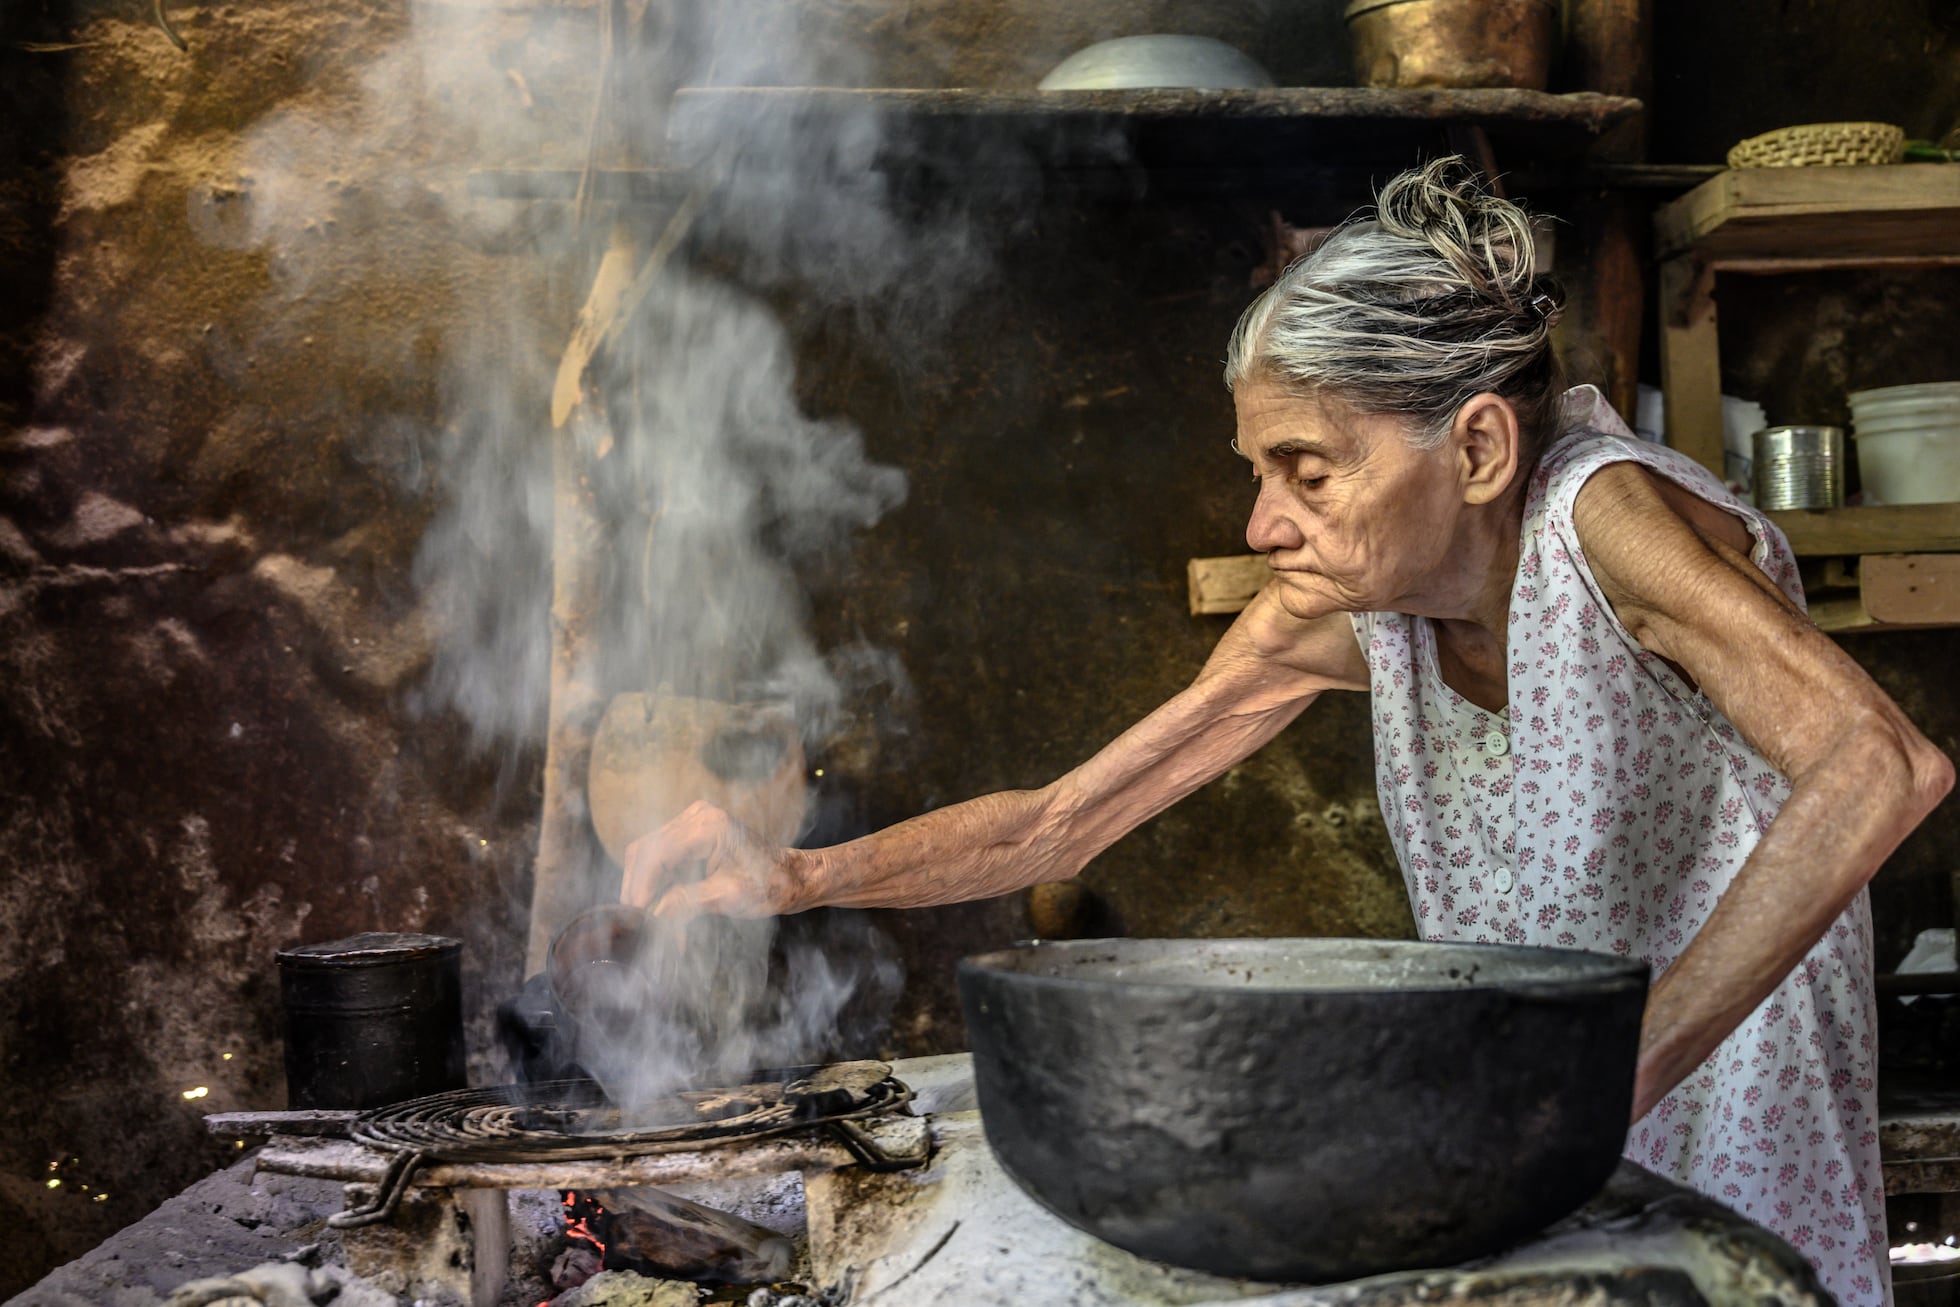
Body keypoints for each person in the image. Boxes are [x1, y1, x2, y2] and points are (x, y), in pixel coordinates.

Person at [620, 158, 1952, 1306]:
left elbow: (1878, 764)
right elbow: (1058, 824)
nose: (1265, 525)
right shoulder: (1348, 607)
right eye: (1260, 473)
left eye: (1308, 472)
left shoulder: (1606, 526)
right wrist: (792, 876)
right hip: (1540, 1117)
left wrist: (1627, 1072)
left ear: (1477, 449)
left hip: (1730, 1079)